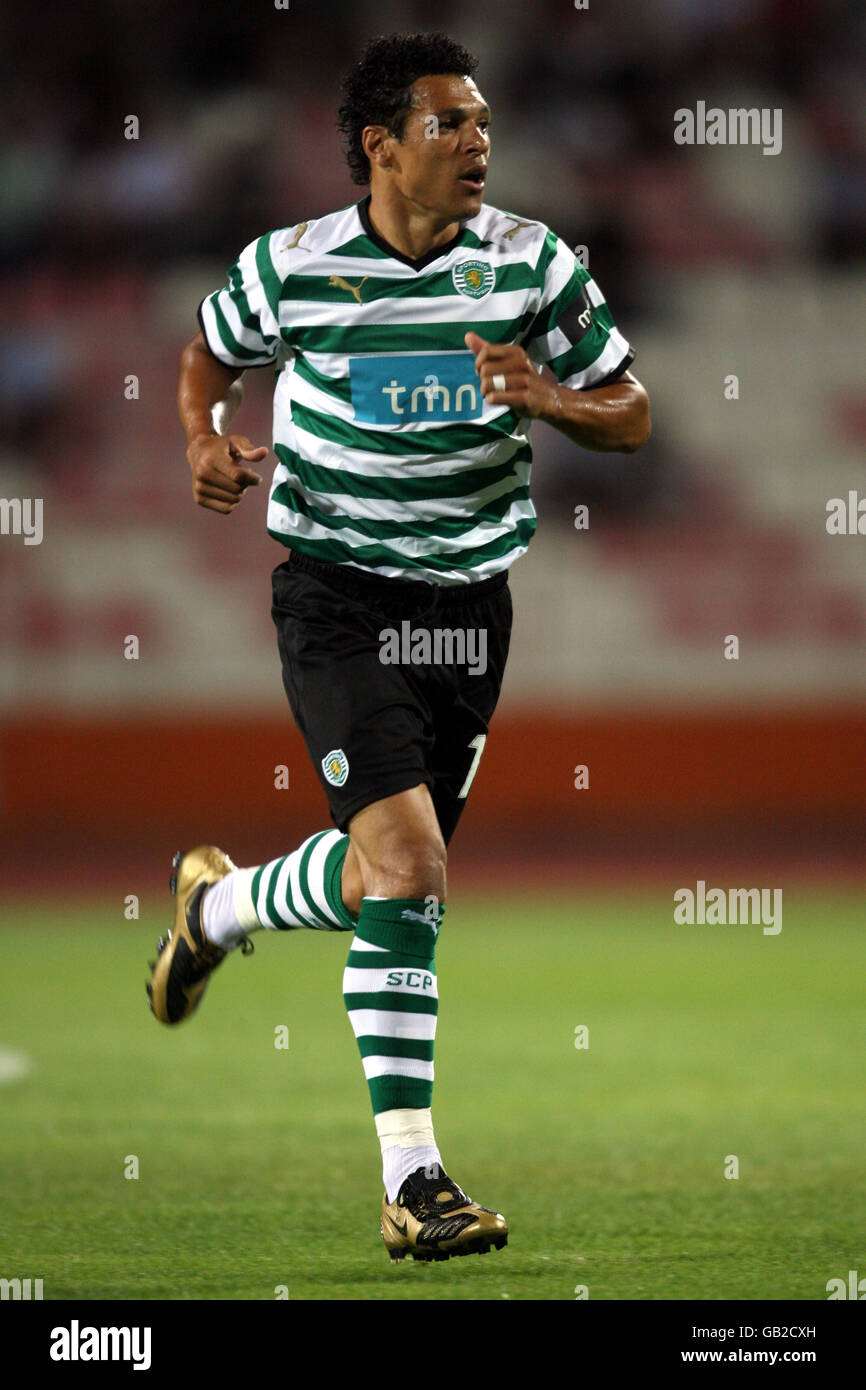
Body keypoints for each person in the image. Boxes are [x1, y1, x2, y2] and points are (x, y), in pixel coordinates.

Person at [148, 31, 650, 1264]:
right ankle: (412, 1181)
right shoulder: (294, 267)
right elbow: (208, 355)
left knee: (383, 883)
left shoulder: (533, 263)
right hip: (335, 595)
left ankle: (215, 909)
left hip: (468, 610)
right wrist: (202, 439)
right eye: (448, 124)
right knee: (414, 869)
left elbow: (631, 414)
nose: (477, 141)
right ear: (380, 145)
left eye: (482, 123)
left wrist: (549, 400)